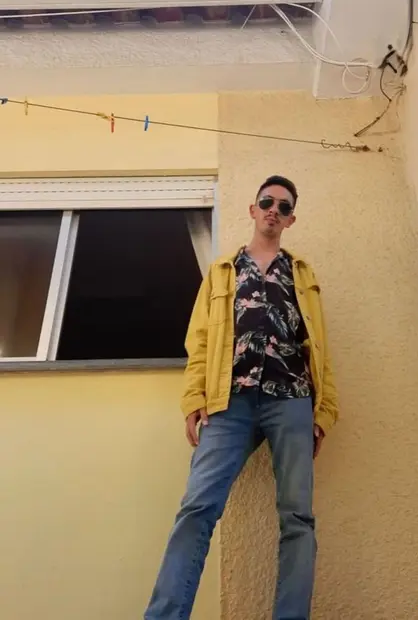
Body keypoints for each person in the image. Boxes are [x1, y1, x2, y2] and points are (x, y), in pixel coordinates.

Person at [144, 175, 339, 620]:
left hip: (292, 399)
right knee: (197, 508)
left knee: (298, 519)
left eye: (284, 206)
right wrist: (193, 397)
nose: (274, 210)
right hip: (228, 401)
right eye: (267, 201)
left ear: (290, 220)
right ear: (253, 210)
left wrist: (323, 412)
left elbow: (320, 346)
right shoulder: (222, 271)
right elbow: (200, 339)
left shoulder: (302, 275)